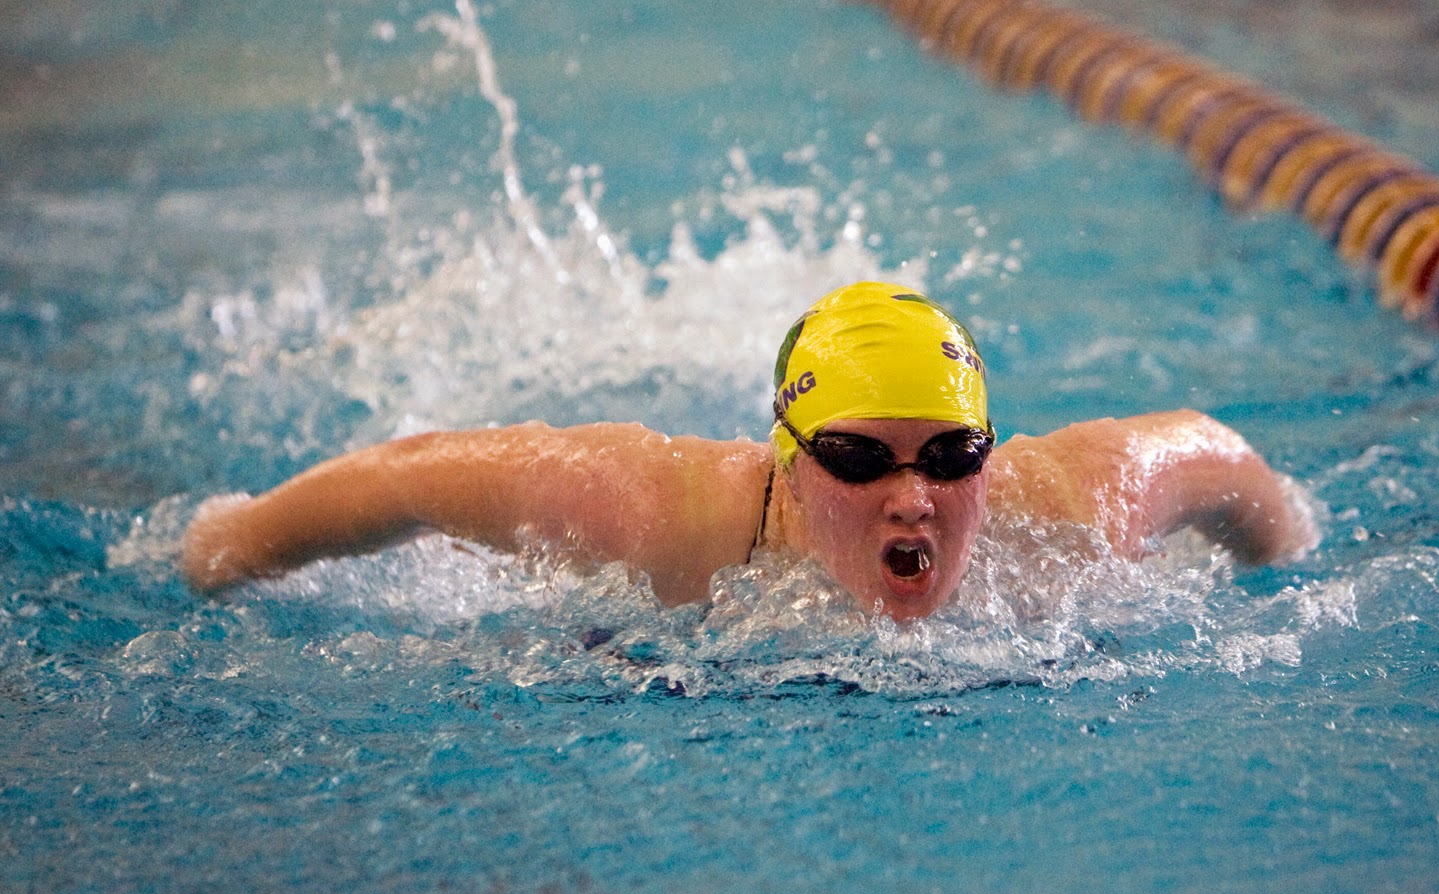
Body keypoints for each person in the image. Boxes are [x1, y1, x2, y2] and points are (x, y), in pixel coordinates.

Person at [180, 281, 1318, 620]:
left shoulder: (1067, 518)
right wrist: (222, 547)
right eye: (862, 461)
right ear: (786, 459)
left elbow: (1229, 466)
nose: (914, 496)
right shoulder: (656, 520)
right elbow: (409, 475)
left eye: (949, 456)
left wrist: (1286, 560)